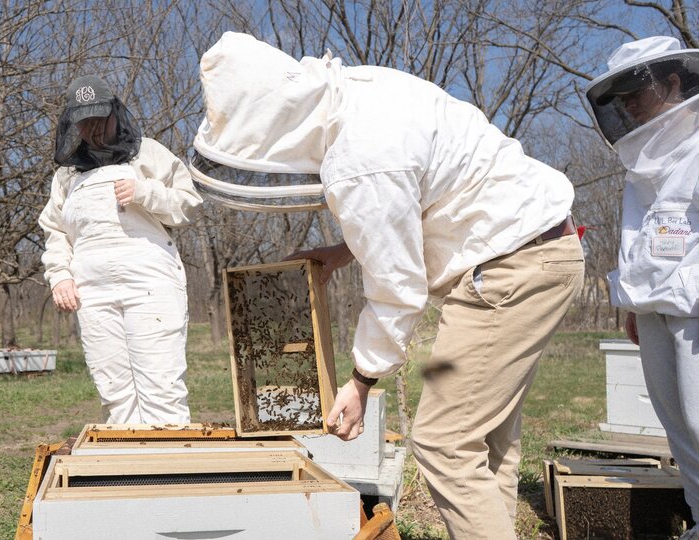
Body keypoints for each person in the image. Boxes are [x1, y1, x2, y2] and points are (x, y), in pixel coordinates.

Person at [190, 33, 584, 538]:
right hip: (539, 252)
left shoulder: (359, 156)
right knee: (487, 441)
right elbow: (419, 198)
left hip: (510, 269)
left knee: (444, 442)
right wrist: (344, 249)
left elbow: (398, 290)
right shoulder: (363, 88)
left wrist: (361, 381)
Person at [585, 36, 699, 538]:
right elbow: (641, 241)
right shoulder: (640, 163)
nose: (628, 105)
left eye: (636, 91)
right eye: (620, 98)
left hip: (694, 306)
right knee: (678, 427)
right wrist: (632, 304)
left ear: (673, 82)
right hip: (653, 309)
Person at [39, 75, 203, 424]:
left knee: (161, 389)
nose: (95, 128)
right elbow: (55, 230)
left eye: (101, 118)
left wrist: (145, 193)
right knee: (116, 394)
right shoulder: (66, 177)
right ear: (73, 124)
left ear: (116, 113)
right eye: (86, 122)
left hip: (150, 284)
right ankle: (127, 460)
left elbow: (188, 203)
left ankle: (170, 460)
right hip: (92, 292)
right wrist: (60, 276)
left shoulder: (148, 154)